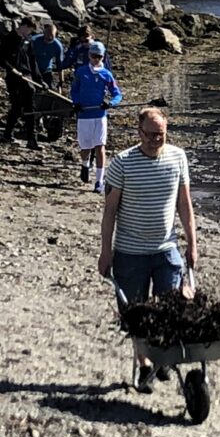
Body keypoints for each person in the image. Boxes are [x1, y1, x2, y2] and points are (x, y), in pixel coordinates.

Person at [97, 107, 199, 394]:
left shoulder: (178, 157)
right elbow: (110, 211)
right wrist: (106, 252)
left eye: (162, 135)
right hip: (130, 251)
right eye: (151, 135)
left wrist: (192, 245)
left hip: (166, 248)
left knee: (170, 306)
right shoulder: (122, 163)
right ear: (139, 132)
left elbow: (184, 205)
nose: (157, 140)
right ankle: (144, 367)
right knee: (137, 313)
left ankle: (162, 357)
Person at [71, 41, 122, 194]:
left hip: (99, 115)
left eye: (99, 57)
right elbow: (74, 91)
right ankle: (85, 164)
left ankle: (99, 181)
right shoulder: (80, 72)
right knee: (85, 147)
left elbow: (117, 94)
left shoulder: (106, 74)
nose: (96, 59)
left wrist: (111, 103)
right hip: (84, 114)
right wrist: (76, 103)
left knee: (100, 147)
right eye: (93, 56)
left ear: (103, 57)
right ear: (89, 56)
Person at [0, 16, 41, 149]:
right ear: (24, 26)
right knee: (16, 106)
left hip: (27, 77)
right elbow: (0, 59)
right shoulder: (9, 39)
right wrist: (12, 70)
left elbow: (32, 61)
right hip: (14, 77)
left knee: (30, 107)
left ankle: (32, 139)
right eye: (30, 30)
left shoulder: (28, 40)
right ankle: (7, 134)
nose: (30, 33)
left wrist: (39, 79)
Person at [31, 22, 66, 90]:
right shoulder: (34, 40)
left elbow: (59, 64)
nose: (49, 38)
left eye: (51, 37)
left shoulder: (57, 46)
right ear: (44, 33)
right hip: (33, 68)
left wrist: (61, 80)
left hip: (46, 69)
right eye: (47, 36)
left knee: (47, 88)